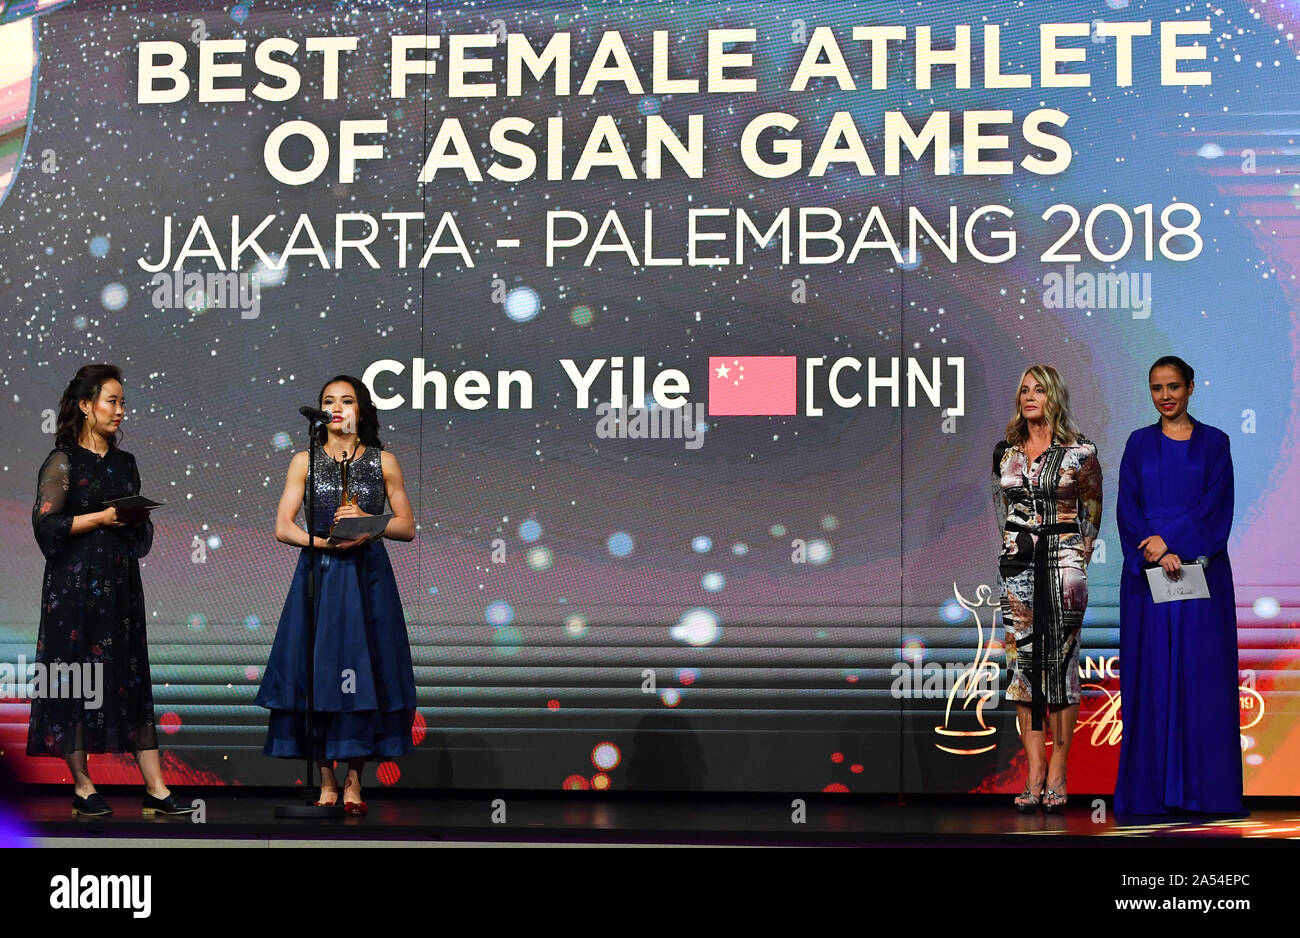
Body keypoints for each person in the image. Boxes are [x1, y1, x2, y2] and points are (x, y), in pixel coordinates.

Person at [29, 363, 194, 816]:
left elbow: (139, 536)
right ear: (86, 406)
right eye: (112, 401)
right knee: (76, 681)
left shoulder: (125, 464)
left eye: (123, 402)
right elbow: (46, 524)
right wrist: (100, 519)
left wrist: (136, 517)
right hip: (74, 591)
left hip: (121, 590)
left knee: (130, 678)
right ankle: (84, 786)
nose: (120, 411)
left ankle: (156, 789)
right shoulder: (63, 460)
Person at [255, 375, 417, 816]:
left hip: (368, 578)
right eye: (330, 401)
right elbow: (283, 525)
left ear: (361, 409)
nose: (338, 408)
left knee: (367, 671)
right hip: (321, 572)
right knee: (318, 671)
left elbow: (407, 527)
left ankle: (353, 779)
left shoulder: (384, 462)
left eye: (347, 400)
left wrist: (369, 521)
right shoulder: (303, 461)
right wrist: (325, 543)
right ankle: (326, 779)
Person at [1113, 356, 1244, 816]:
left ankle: (1207, 794)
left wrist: (1173, 543)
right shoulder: (1137, 443)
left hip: (1202, 578)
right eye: (1156, 388)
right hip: (1148, 579)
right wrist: (1155, 550)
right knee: (1150, 681)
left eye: (1173, 386)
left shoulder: (1216, 443)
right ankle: (1151, 797)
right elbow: (1127, 506)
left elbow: (1216, 508)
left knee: (1202, 682)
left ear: (1191, 387)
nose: (1165, 396)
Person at [993, 365, 1102, 812]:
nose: (1029, 397)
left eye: (1038, 390)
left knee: (1060, 666)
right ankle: (1033, 771)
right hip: (1016, 568)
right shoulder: (1006, 452)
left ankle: (1059, 769)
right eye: (1023, 390)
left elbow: (1091, 512)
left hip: (1063, 567)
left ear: (1054, 395)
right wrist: (1014, 549)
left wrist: (1077, 551)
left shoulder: (1081, 451)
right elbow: (1002, 511)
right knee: (1023, 668)